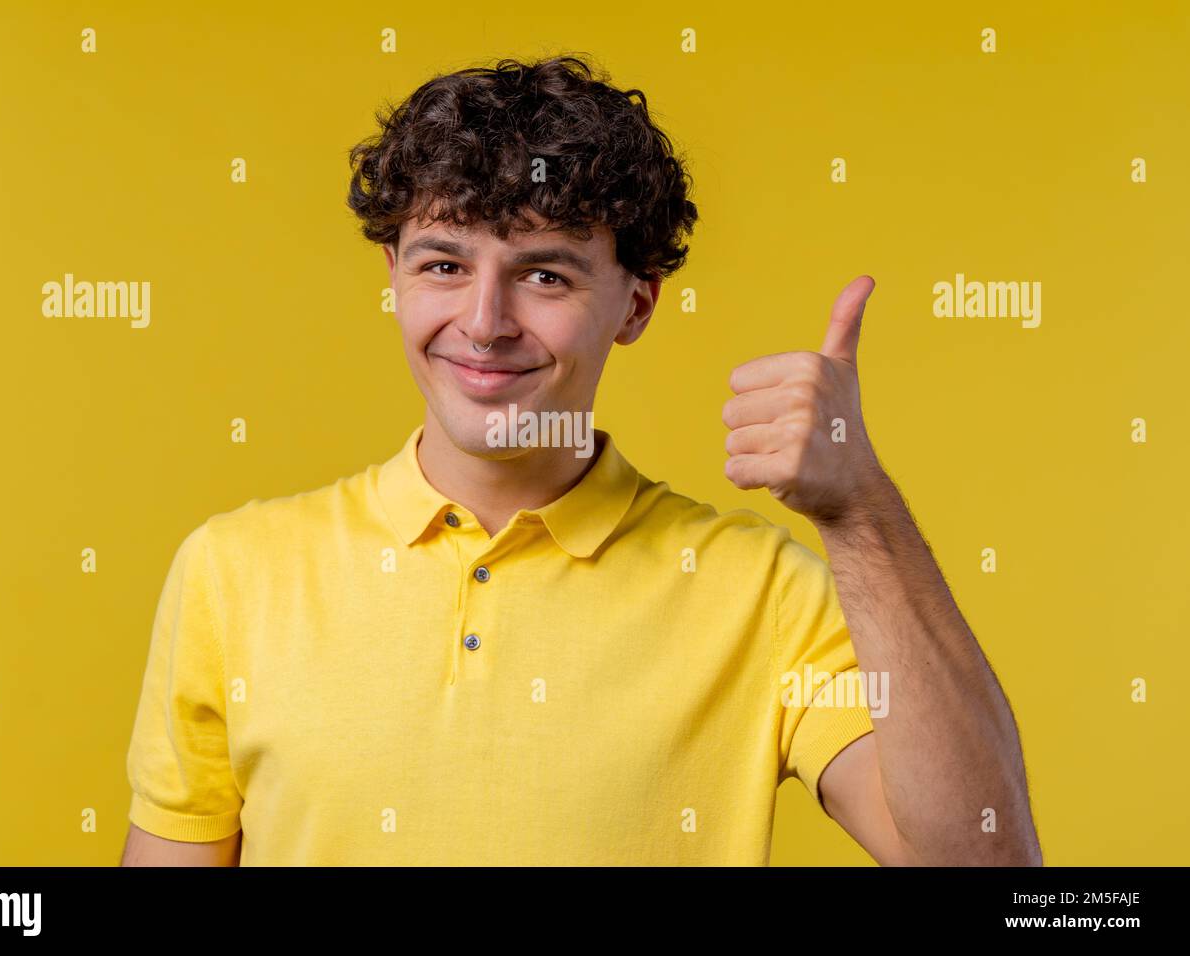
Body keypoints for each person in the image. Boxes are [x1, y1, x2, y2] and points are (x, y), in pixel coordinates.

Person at [121, 54, 1041, 866]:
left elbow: (985, 866)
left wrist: (860, 512)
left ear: (635, 306)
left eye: (545, 275)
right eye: (443, 265)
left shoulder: (766, 596)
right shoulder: (231, 574)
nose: (483, 323)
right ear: (394, 278)